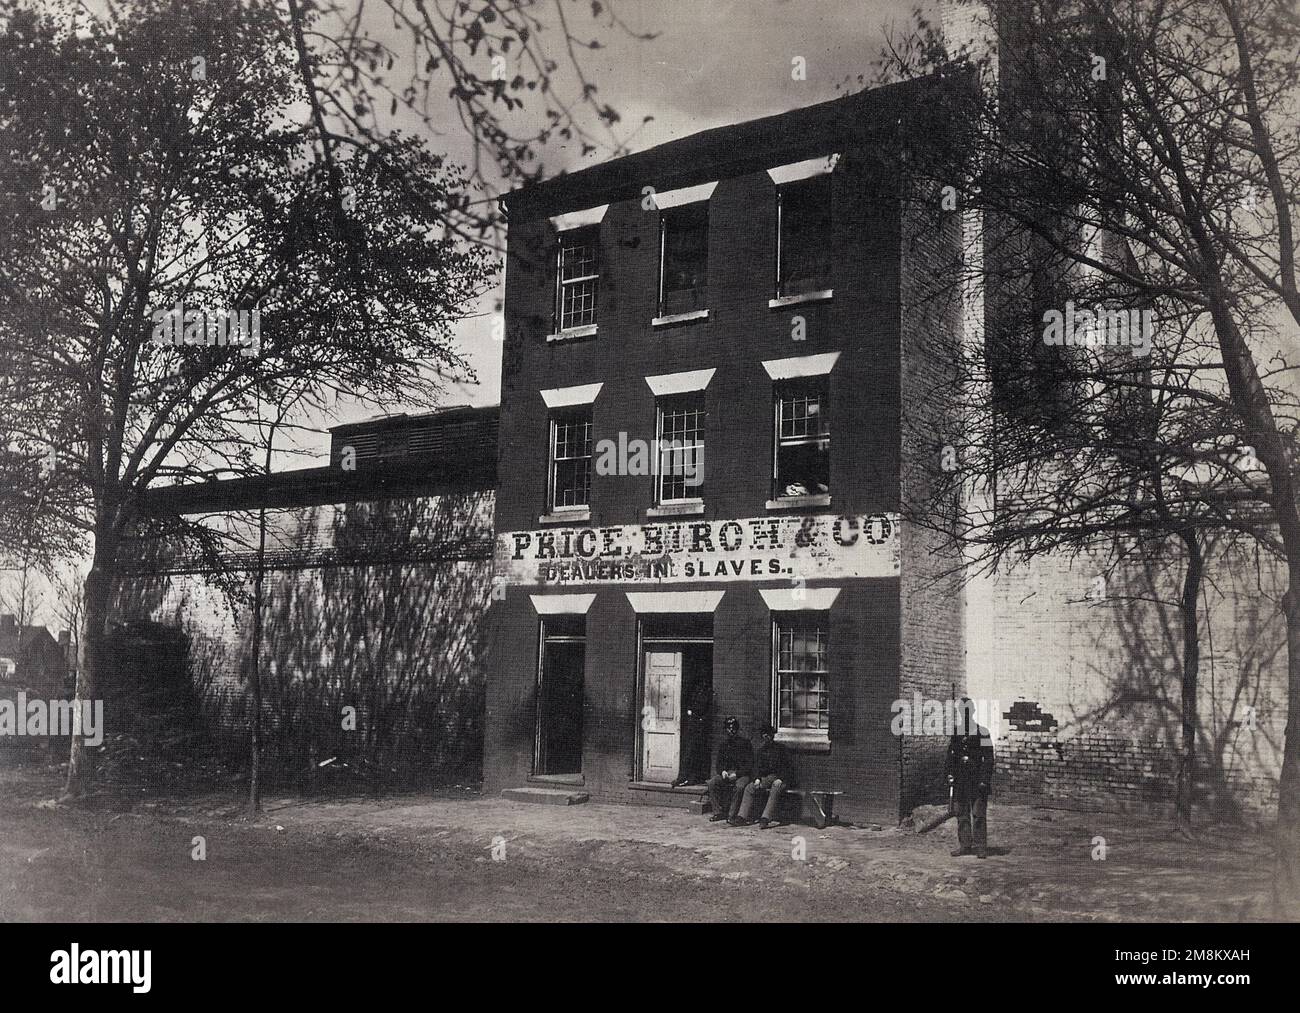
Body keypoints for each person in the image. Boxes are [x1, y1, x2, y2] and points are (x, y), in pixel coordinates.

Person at [945, 697, 995, 858]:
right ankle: (965, 845)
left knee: (978, 814)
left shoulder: (983, 732)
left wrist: (984, 780)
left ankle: (980, 846)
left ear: (972, 712)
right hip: (961, 781)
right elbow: (950, 756)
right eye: (961, 711)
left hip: (977, 780)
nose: (964, 714)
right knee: (962, 814)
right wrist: (950, 773)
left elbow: (988, 759)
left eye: (967, 711)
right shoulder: (956, 733)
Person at [736, 723, 793, 828]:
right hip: (766, 778)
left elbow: (788, 767)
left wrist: (781, 778)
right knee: (750, 788)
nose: (766, 737)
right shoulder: (761, 751)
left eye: (768, 735)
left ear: (772, 736)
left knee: (776, 787)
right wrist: (757, 779)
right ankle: (742, 816)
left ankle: (765, 818)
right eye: (764, 735)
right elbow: (756, 768)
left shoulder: (781, 749)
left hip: (779, 778)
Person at [705, 716, 752, 822]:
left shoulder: (745, 743)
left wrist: (737, 774)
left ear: (737, 729)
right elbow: (719, 764)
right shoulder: (724, 745)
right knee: (712, 783)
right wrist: (723, 772)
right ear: (726, 729)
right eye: (729, 728)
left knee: (739, 787)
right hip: (728, 773)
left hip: (742, 774)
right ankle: (718, 812)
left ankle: (732, 815)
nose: (731, 730)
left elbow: (749, 765)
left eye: (734, 728)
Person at [672, 678, 712, 787]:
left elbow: (709, 711)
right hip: (692, 728)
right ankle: (683, 777)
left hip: (700, 729)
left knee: (696, 754)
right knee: (688, 753)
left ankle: (691, 778)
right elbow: (689, 706)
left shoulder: (708, 694)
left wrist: (701, 720)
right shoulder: (695, 692)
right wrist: (690, 713)